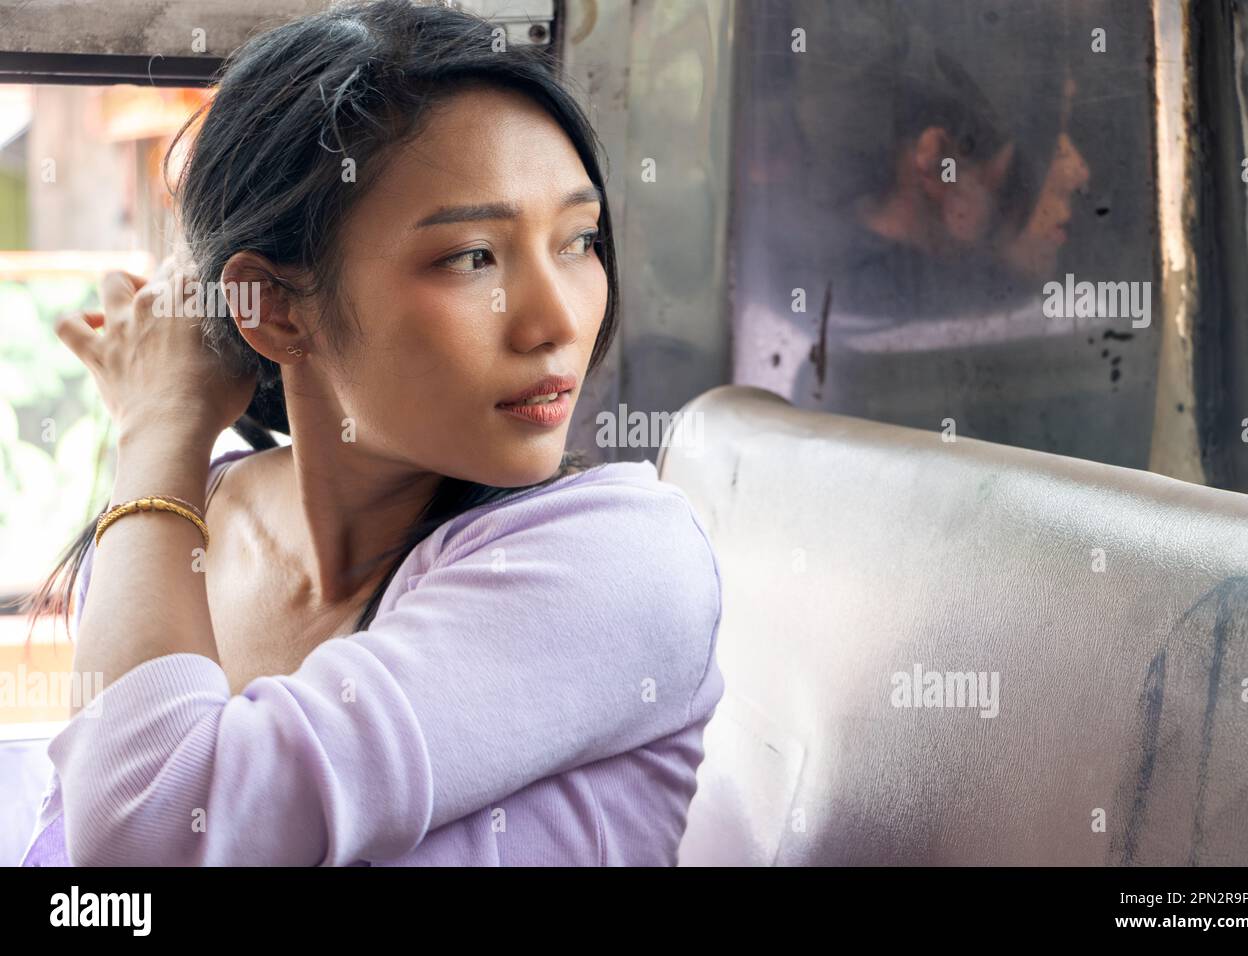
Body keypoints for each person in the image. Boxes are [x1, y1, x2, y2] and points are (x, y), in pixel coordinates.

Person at [18, 0, 724, 867]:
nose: (554, 321)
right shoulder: (172, 537)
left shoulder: (623, 562)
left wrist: (159, 428)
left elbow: (148, 842)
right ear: (271, 308)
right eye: (473, 256)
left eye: (579, 242)